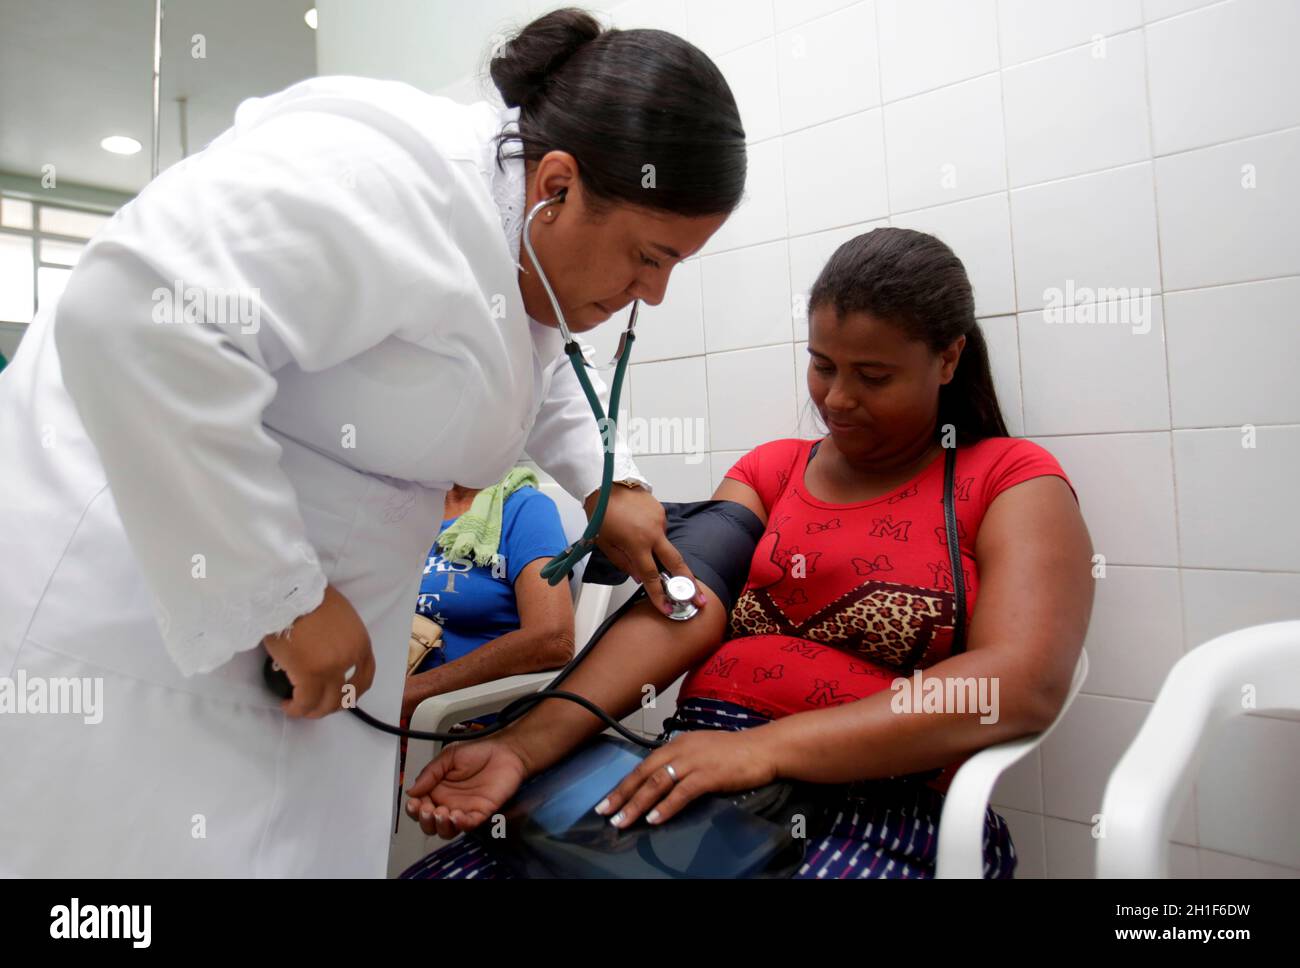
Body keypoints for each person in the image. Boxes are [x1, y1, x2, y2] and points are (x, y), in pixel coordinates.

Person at [0, 8, 743, 876]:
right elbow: (135, 316)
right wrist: (281, 600)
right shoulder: (380, 178)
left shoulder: (511, 242)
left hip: (309, 659)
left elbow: (510, 359)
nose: (650, 294)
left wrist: (603, 483)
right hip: (145, 615)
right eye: (649, 257)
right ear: (557, 185)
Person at [400, 228, 1095, 879]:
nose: (838, 398)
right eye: (822, 366)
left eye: (874, 376)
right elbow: (681, 604)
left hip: (876, 799)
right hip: (691, 771)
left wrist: (761, 751)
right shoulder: (772, 473)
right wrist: (526, 744)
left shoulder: (1010, 479)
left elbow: (1020, 683)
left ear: (948, 358)